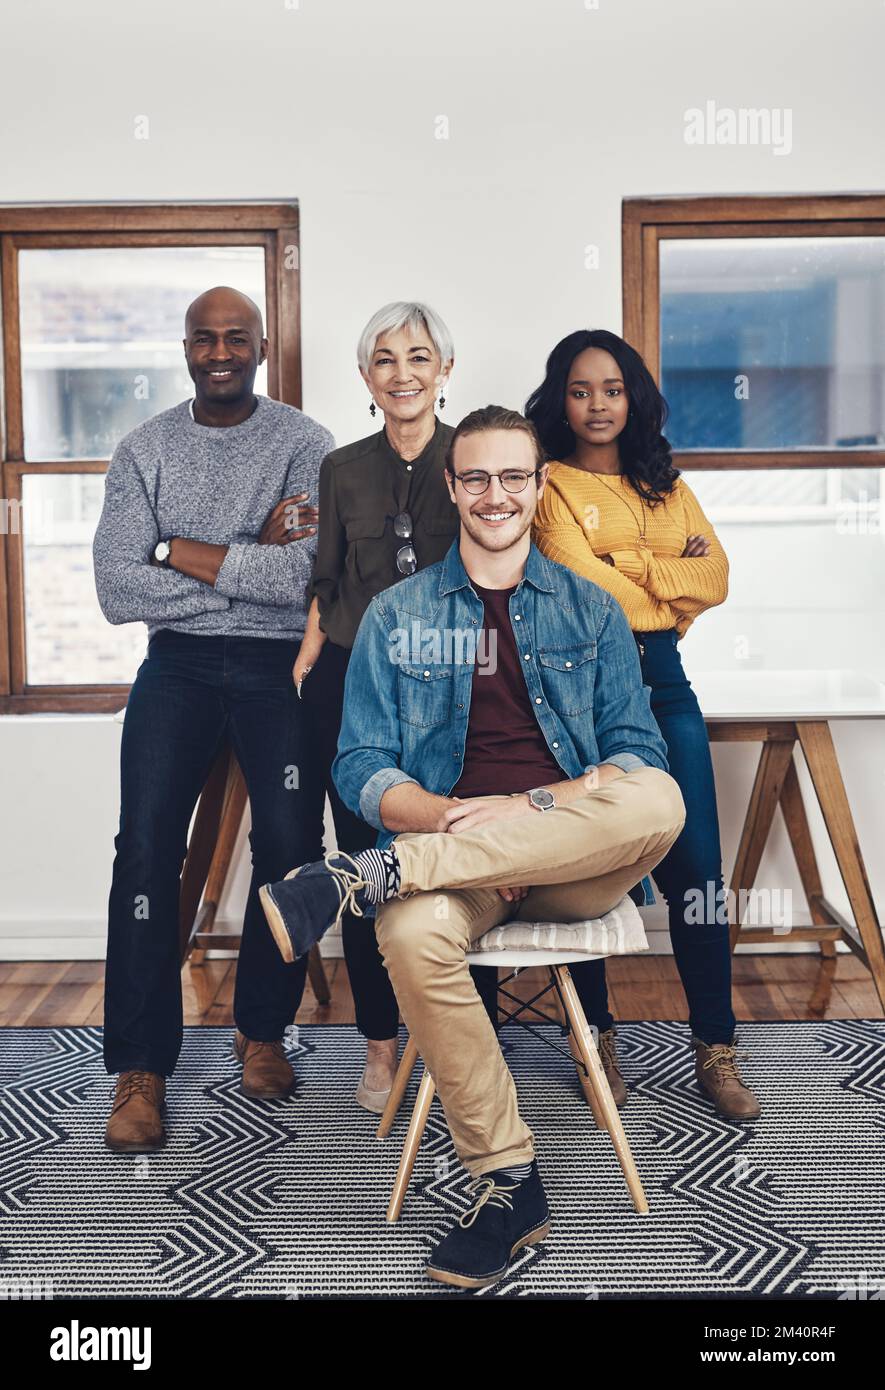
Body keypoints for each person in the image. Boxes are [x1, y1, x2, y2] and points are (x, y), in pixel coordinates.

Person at [257, 405, 685, 1289]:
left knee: (660, 796)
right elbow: (361, 764)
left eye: (514, 477)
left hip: (571, 864)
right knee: (411, 935)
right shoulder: (394, 615)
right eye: (477, 478)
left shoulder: (591, 610)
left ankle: (376, 875)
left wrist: (529, 805)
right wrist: (446, 815)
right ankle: (506, 1179)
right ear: (451, 489)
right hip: (458, 854)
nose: (496, 495)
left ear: (538, 486)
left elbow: (634, 753)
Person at [93, 286, 334, 1152]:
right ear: (185, 348)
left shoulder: (306, 444)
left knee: (290, 845)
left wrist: (178, 550)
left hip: (279, 669)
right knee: (147, 848)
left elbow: (304, 577)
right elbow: (119, 589)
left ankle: (260, 1031)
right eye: (206, 338)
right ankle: (140, 1067)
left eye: (238, 338)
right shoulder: (144, 448)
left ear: (263, 347)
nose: (221, 351)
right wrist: (244, 555)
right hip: (179, 669)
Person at [527, 328, 760, 1121]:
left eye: (614, 389)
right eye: (582, 389)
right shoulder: (548, 486)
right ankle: (595, 1042)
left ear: (634, 398)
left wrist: (634, 571)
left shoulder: (667, 480)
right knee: (592, 872)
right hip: (581, 690)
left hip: (663, 683)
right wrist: (668, 581)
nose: (598, 404)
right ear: (561, 398)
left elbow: (717, 576)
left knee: (697, 873)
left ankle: (715, 1047)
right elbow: (587, 595)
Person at [295, 301, 497, 1112]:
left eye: (418, 356)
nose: (402, 372)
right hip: (354, 680)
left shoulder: (478, 459)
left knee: (452, 851)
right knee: (362, 866)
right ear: (365, 376)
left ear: (444, 370)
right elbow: (327, 578)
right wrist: (309, 660)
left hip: (454, 677)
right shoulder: (341, 467)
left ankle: (457, 1045)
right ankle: (380, 1049)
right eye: (384, 359)